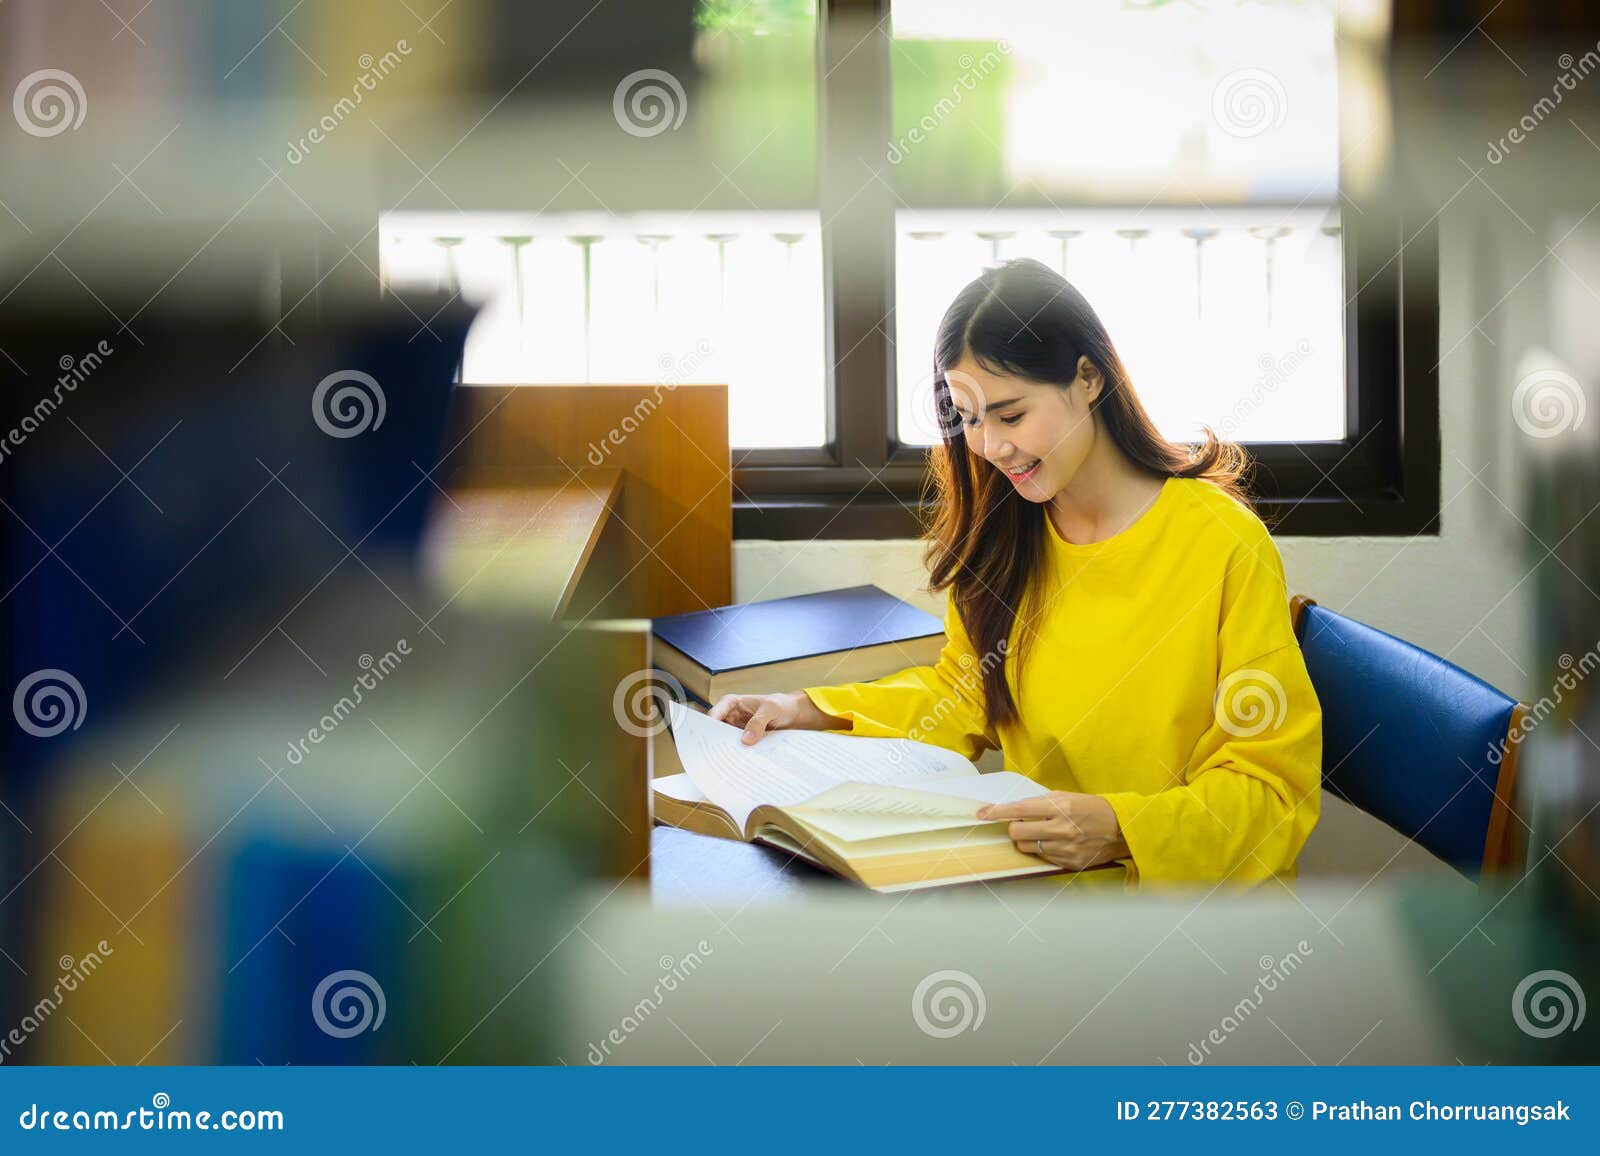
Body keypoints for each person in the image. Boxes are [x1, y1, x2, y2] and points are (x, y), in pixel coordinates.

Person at [710, 258, 1321, 888]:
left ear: (1088, 377)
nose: (989, 447)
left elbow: (1271, 790)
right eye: (968, 419)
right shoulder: (1009, 531)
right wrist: (809, 710)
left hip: (1181, 913)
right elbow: (966, 694)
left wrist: (1122, 827)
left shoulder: (1220, 541)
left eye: (1010, 415)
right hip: (1038, 889)